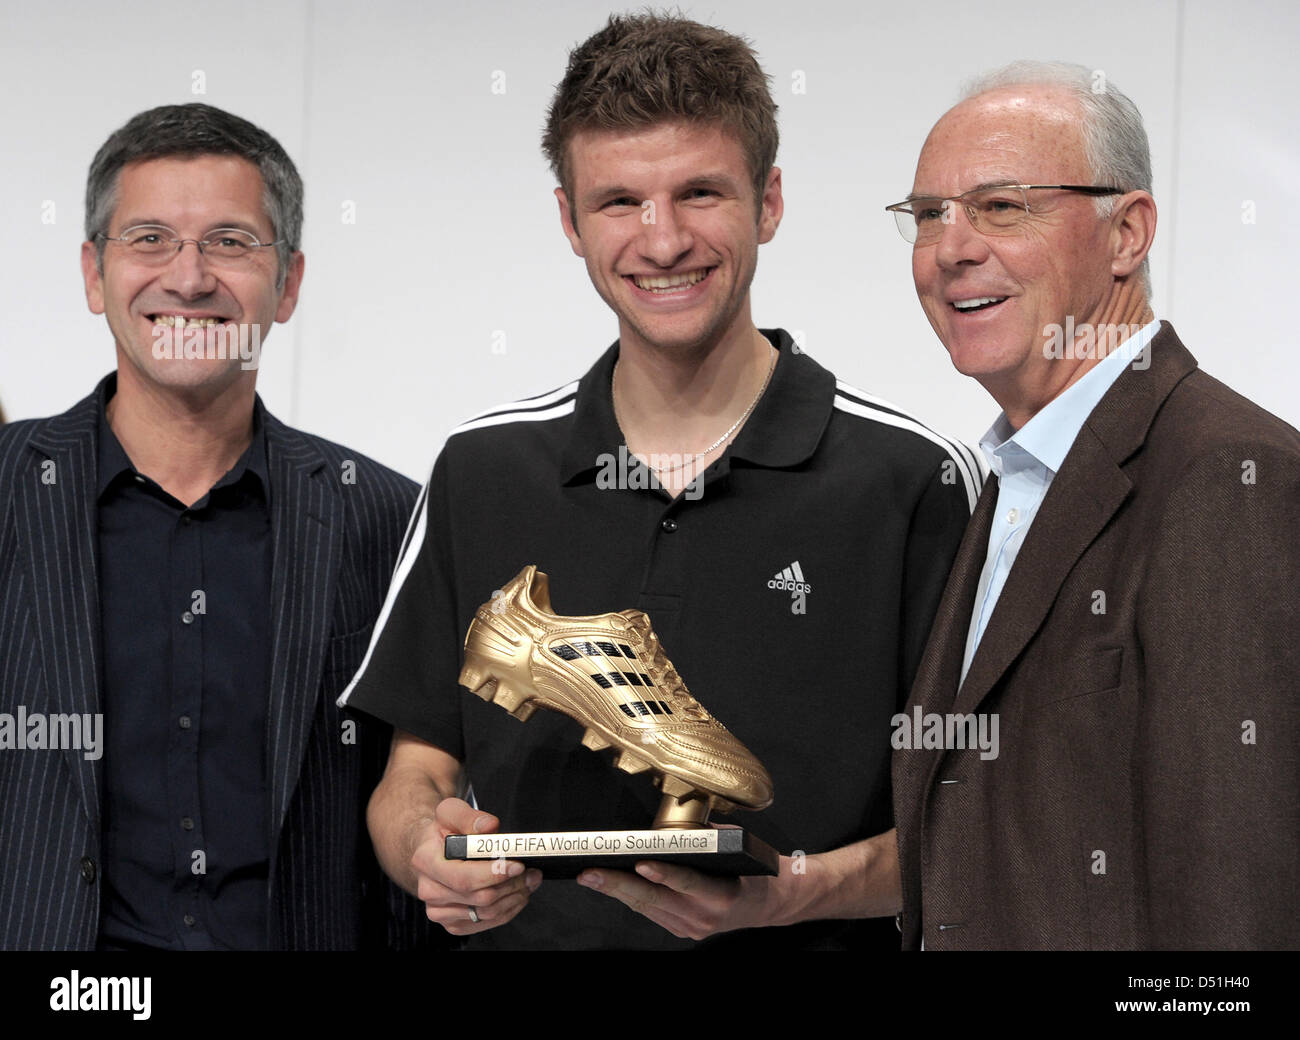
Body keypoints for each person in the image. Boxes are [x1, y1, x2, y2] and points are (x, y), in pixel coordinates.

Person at [343, 13, 980, 950]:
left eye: (700, 193)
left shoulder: (912, 481)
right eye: (619, 202)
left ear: (767, 203)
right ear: (569, 220)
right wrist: (425, 850)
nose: (664, 239)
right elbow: (418, 769)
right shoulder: (483, 469)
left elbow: (980, 818)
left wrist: (788, 894)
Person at [886, 61, 1299, 949]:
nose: (950, 247)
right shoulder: (1012, 475)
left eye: (1001, 206)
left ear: (1128, 233)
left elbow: (1239, 892)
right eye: (929, 214)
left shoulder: (1227, 474)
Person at [0, 103, 431, 950]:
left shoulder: (387, 519)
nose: (189, 277)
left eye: (231, 242)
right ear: (94, 274)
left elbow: (415, 804)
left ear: (290, 282)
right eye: (149, 238)